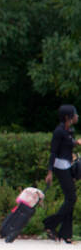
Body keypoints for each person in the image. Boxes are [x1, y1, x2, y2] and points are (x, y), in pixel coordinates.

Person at [44, 104, 81, 242]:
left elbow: (69, 147)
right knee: (71, 198)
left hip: (68, 166)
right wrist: (49, 172)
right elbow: (53, 152)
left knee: (69, 200)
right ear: (68, 117)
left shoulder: (69, 130)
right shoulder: (59, 132)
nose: (77, 116)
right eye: (75, 114)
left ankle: (66, 234)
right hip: (60, 167)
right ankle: (50, 224)